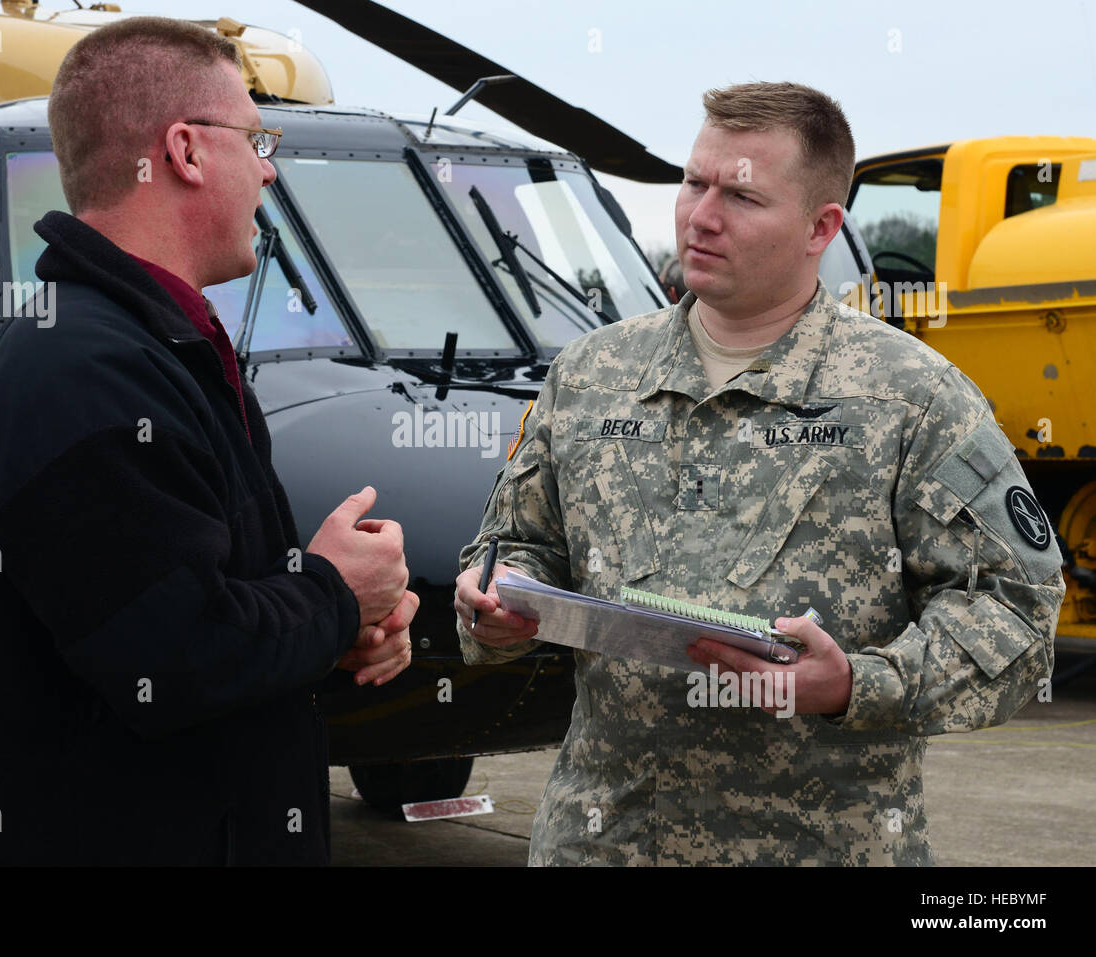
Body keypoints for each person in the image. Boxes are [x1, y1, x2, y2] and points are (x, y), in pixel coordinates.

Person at [454, 81, 1064, 865]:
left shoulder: (912, 399)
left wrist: (856, 684)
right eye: (693, 182)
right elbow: (514, 545)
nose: (701, 216)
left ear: (821, 227)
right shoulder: (589, 375)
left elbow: (1015, 616)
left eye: (741, 195)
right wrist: (494, 605)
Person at [0, 17, 416, 866]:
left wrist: (338, 632)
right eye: (257, 138)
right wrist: (335, 593)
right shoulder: (76, 373)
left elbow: (194, 606)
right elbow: (177, 658)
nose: (268, 167)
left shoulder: (152, 350)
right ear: (185, 151)